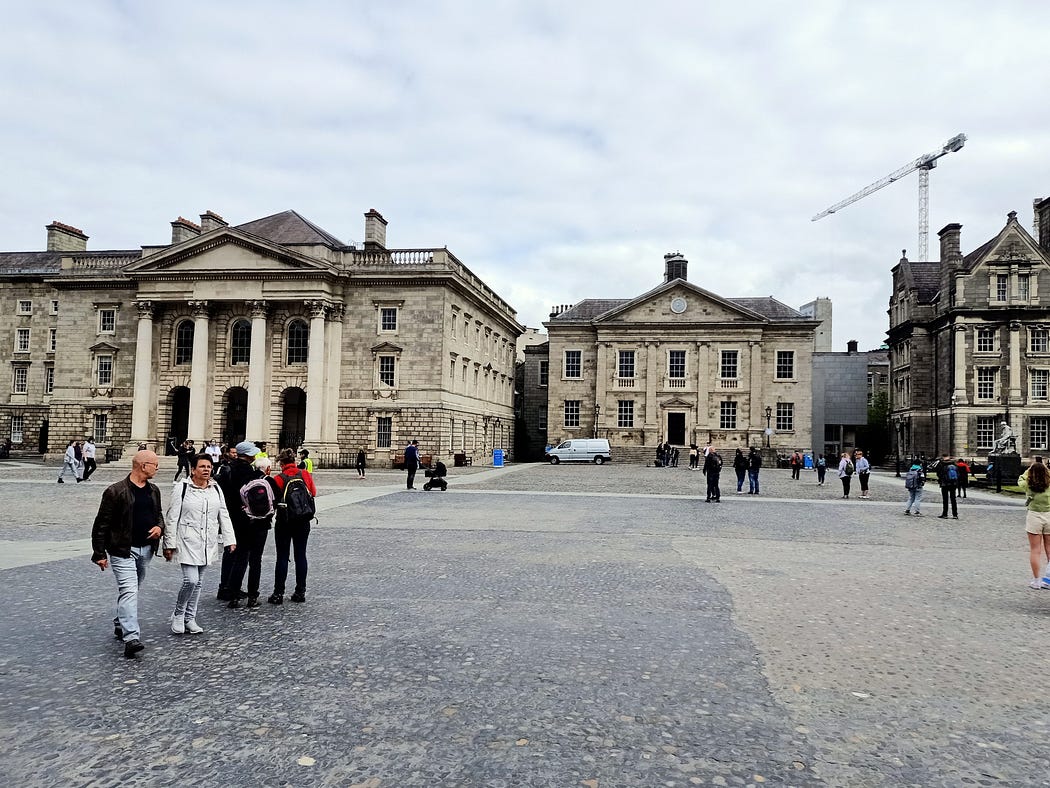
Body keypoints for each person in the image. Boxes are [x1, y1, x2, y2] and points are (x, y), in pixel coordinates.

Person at [90, 449, 164, 658]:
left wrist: (159, 528)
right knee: (129, 590)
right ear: (143, 466)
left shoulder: (154, 490)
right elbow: (101, 525)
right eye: (154, 464)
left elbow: (158, 515)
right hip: (123, 550)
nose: (157, 468)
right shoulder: (115, 491)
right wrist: (99, 553)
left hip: (146, 549)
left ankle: (119, 622)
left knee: (132, 589)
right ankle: (131, 637)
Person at [163, 453, 235, 633]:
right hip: (187, 539)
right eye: (202, 467)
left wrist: (230, 539)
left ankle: (190, 617)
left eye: (209, 467)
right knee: (191, 580)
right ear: (193, 469)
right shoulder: (182, 488)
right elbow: (172, 517)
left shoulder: (216, 489)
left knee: (199, 581)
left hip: (207, 540)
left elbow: (223, 514)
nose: (206, 470)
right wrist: (169, 543)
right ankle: (179, 614)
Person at [215, 440, 267, 607]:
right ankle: (240, 591)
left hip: (229, 517)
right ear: (249, 455)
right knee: (246, 557)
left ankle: (225, 587)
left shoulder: (227, 469)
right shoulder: (249, 472)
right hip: (246, 518)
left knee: (230, 552)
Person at [268, 448, 317, 605]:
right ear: (294, 461)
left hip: (285, 521)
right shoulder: (305, 474)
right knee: (300, 555)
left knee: (282, 557)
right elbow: (313, 493)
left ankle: (278, 593)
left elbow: (273, 501)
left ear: (281, 463)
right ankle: (300, 591)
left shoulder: (278, 478)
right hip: (303, 520)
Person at [1018, 457, 1050, 589]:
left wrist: (1028, 471)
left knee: (1035, 550)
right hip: (1049, 513)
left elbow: (1020, 481)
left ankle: (1037, 580)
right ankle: (1048, 579)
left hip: (1034, 515)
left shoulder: (1029, 484)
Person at [935, 453, 959, 519]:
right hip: (953, 483)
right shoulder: (954, 464)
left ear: (943, 457)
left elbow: (938, 473)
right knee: (953, 499)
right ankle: (955, 514)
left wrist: (941, 479)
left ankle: (945, 514)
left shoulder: (941, 464)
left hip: (944, 483)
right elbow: (958, 474)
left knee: (945, 499)